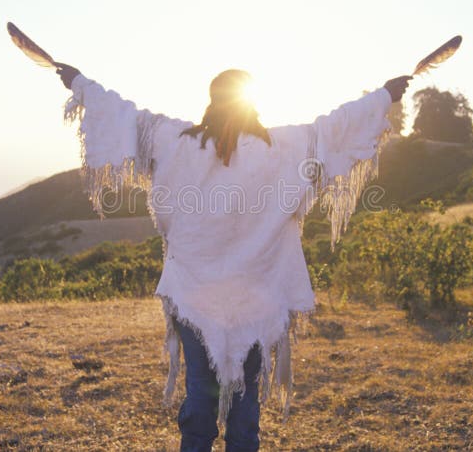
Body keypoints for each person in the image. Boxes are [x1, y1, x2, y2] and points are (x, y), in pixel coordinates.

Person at [55, 63, 411, 452]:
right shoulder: (284, 148)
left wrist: (80, 83)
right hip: (255, 299)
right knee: (244, 410)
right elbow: (333, 130)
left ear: (212, 101)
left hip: (194, 296)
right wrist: (384, 96)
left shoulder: (174, 141)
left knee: (200, 402)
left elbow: (125, 117)